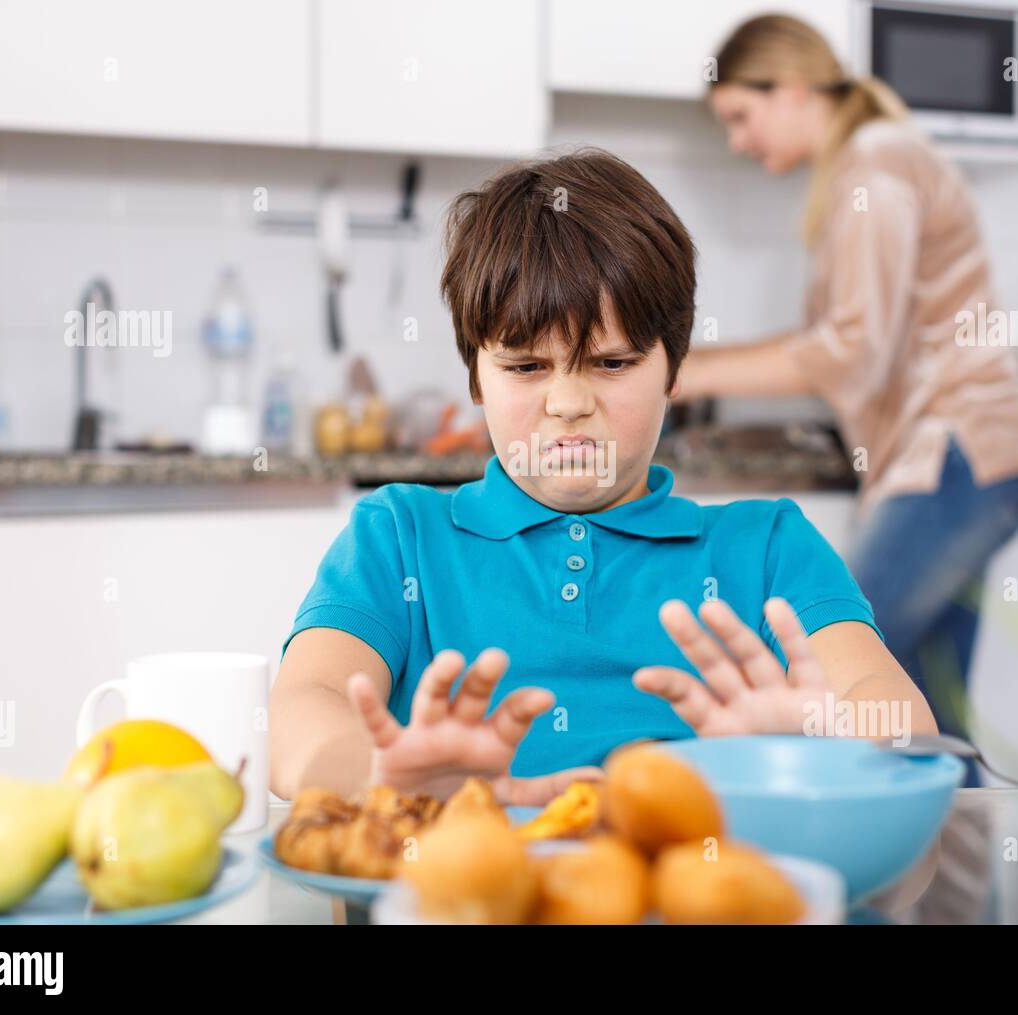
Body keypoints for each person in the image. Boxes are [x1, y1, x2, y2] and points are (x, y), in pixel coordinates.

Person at [270, 148, 937, 803]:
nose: (567, 403)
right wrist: (385, 777)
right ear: (474, 374)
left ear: (674, 371)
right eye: (526, 367)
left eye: (612, 363)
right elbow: (301, 714)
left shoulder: (769, 548)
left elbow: (903, 724)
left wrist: (826, 735)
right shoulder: (397, 537)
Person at [676, 15, 1018, 785]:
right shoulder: (873, 165)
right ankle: (955, 902)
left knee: (848, 665)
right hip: (971, 455)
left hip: (963, 452)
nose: (741, 143)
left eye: (742, 118)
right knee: (927, 711)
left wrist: (688, 368)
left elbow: (852, 347)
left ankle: (872, 882)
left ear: (791, 87)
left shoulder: (874, 173)